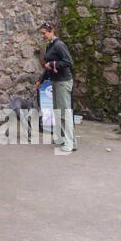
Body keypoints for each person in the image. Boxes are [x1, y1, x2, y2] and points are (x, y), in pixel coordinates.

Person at [38, 22, 76, 153]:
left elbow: (68, 62)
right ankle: (61, 138)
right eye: (41, 33)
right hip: (55, 82)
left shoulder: (59, 45)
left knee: (65, 113)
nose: (42, 36)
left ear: (52, 31)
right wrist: (41, 80)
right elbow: (47, 66)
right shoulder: (49, 46)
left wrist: (53, 63)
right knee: (58, 112)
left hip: (63, 82)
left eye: (44, 33)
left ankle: (71, 143)